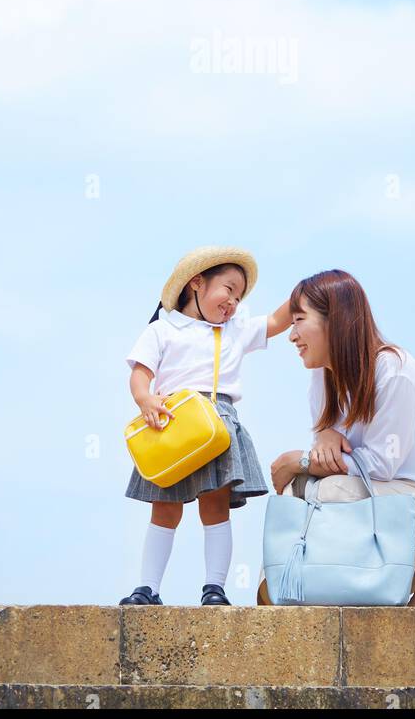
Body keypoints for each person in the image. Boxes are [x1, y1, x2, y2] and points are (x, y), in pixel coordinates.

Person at [257, 269, 415, 607]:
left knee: (326, 490)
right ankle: (279, 593)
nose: (291, 335)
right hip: (400, 505)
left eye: (299, 320)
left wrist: (302, 460)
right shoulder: (323, 378)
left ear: (334, 321)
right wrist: (322, 438)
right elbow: (331, 455)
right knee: (303, 491)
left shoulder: (393, 370)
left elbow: (379, 465)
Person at [121, 246, 292, 606]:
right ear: (196, 283)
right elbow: (141, 374)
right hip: (171, 423)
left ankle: (214, 588)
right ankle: (147, 588)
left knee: (215, 506)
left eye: (240, 296)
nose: (233, 301)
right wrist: (145, 399)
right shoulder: (163, 329)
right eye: (228, 289)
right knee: (164, 508)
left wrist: (308, 292)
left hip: (217, 423)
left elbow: (276, 321)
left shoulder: (236, 330)